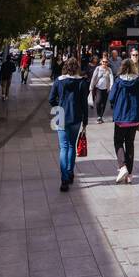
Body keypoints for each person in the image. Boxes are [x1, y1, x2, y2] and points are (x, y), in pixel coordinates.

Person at [48, 58, 90, 192]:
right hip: (76, 116)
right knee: (72, 145)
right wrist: (86, 119)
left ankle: (64, 179)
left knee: (63, 147)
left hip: (61, 116)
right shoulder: (82, 82)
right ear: (77, 67)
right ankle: (70, 172)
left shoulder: (58, 81)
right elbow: (84, 103)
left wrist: (58, 106)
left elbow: (51, 99)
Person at [109, 58, 139, 184]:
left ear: (122, 67)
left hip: (120, 118)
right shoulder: (138, 80)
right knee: (130, 144)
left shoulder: (118, 81)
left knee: (118, 141)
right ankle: (129, 175)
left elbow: (111, 97)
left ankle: (123, 166)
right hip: (134, 118)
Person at [90, 55, 113, 123]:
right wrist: (91, 86)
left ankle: (100, 116)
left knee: (104, 103)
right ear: (101, 62)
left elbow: (111, 79)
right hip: (98, 88)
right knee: (98, 102)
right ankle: (98, 115)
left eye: (106, 62)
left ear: (107, 63)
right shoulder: (98, 68)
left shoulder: (109, 69)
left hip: (106, 89)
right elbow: (94, 77)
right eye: (103, 62)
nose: (104, 63)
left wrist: (111, 87)